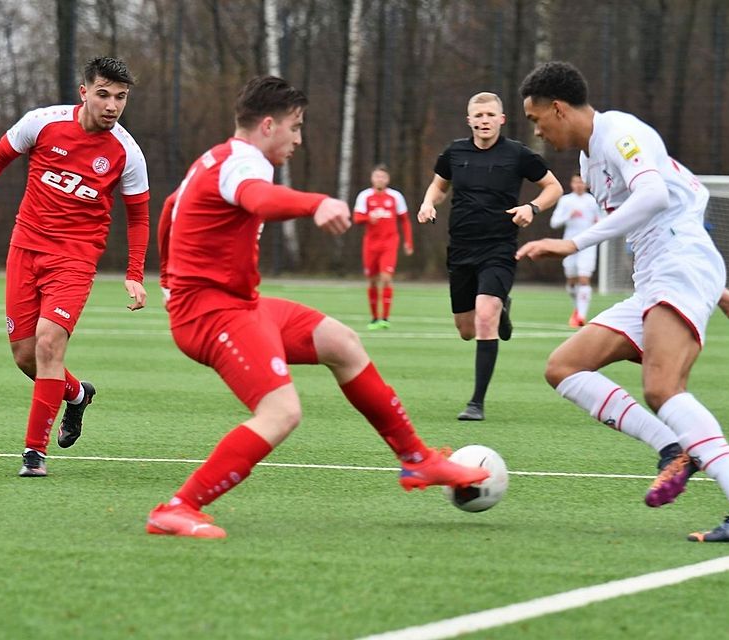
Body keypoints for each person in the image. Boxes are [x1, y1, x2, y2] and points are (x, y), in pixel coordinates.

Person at [148, 76, 489, 538]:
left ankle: (417, 460)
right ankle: (178, 507)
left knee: (341, 342)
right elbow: (258, 199)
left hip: (237, 304)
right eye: (295, 127)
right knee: (281, 412)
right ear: (268, 125)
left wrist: (169, 282)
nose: (299, 139)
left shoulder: (218, 158)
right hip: (211, 315)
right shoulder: (242, 164)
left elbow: (172, 206)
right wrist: (316, 204)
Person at [516, 61, 729, 542]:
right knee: (564, 367)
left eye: (536, 120)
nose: (537, 131)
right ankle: (673, 447)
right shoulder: (587, 162)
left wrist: (574, 243)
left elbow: (655, 196)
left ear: (558, 108)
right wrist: (718, 292)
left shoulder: (621, 132)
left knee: (662, 388)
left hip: (679, 265)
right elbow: (657, 211)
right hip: (662, 275)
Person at [0, 57, 150, 478]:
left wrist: (135, 274)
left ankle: (34, 454)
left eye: (120, 97)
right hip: (25, 249)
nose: (112, 105)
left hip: (75, 259)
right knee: (25, 356)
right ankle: (77, 395)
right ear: (84, 92)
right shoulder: (42, 123)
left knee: (49, 345)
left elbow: (139, 217)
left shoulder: (128, 152)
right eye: (103, 94)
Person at [417, 92, 563, 422]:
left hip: (498, 248)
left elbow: (554, 187)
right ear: (469, 120)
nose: (484, 121)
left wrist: (532, 207)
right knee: (466, 329)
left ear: (501, 120)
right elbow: (439, 187)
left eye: (490, 115)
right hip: (461, 249)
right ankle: (502, 308)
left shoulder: (518, 154)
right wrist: (428, 204)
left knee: (485, 316)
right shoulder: (454, 152)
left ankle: (476, 403)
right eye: (478, 115)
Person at [352, 164, 413, 330]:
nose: (380, 179)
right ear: (372, 178)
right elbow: (356, 218)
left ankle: (385, 318)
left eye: (383, 177)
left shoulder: (395, 197)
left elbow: (405, 220)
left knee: (386, 278)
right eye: (377, 176)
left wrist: (408, 241)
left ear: (388, 179)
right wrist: (368, 218)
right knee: (372, 281)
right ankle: (374, 318)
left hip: (389, 243)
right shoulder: (364, 196)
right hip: (371, 244)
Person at [549, 174, 603, 327]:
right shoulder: (566, 200)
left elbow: (603, 220)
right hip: (569, 244)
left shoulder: (593, 201)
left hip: (588, 245)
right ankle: (577, 309)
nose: (579, 185)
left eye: (582, 182)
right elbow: (554, 223)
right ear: (572, 184)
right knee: (572, 282)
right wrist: (568, 215)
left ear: (587, 184)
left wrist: (598, 222)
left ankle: (581, 316)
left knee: (584, 278)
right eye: (576, 182)